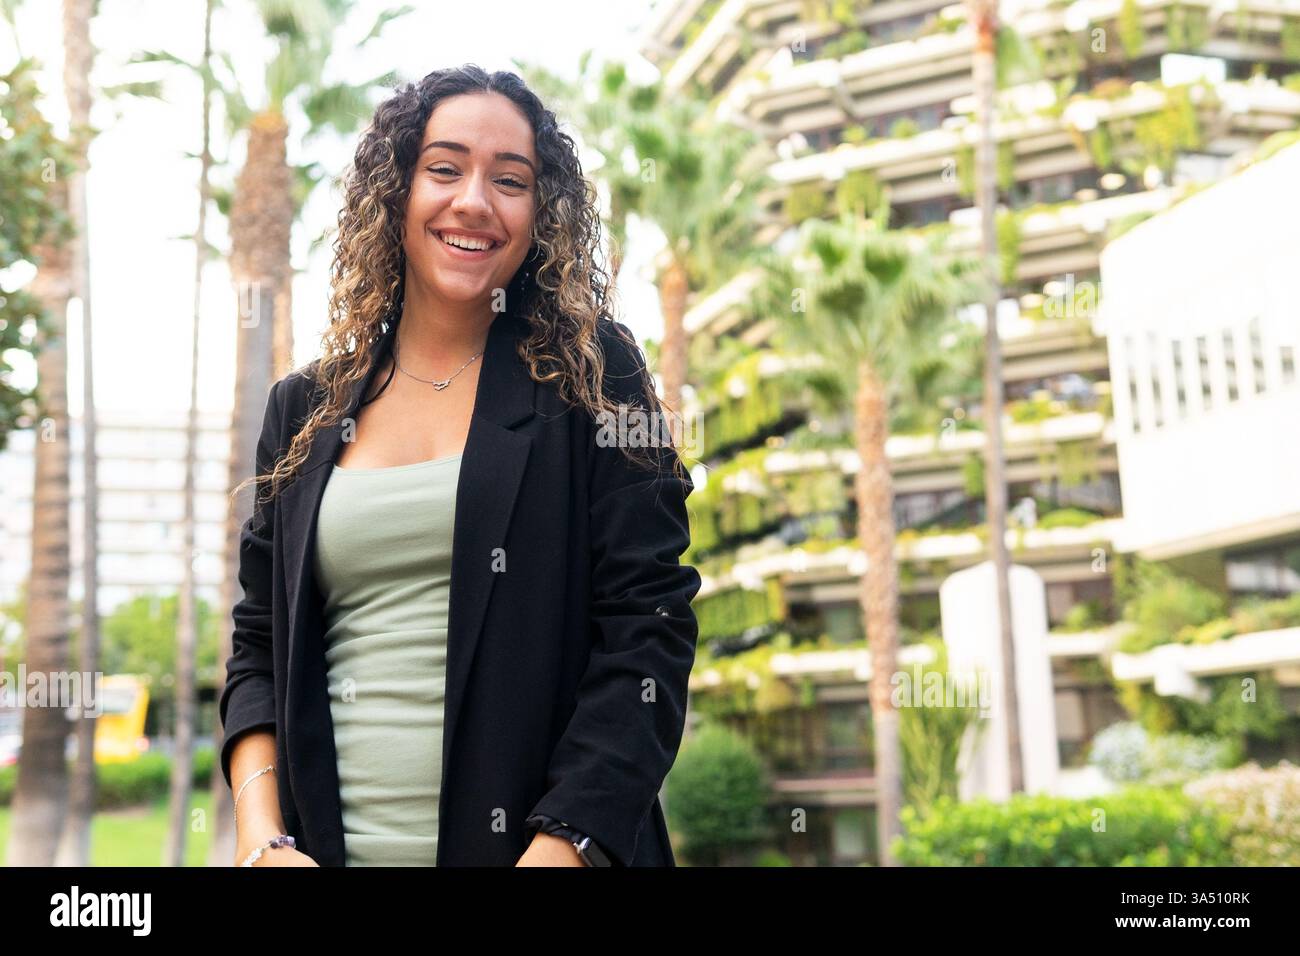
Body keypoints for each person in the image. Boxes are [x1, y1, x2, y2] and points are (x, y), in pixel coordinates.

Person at [220, 64, 701, 867]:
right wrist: (260, 837)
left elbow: (649, 631)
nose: (473, 201)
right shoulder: (303, 409)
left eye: (510, 180)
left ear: (540, 213)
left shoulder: (593, 377)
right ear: (395, 192)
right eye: (444, 168)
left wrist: (564, 847)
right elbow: (258, 647)